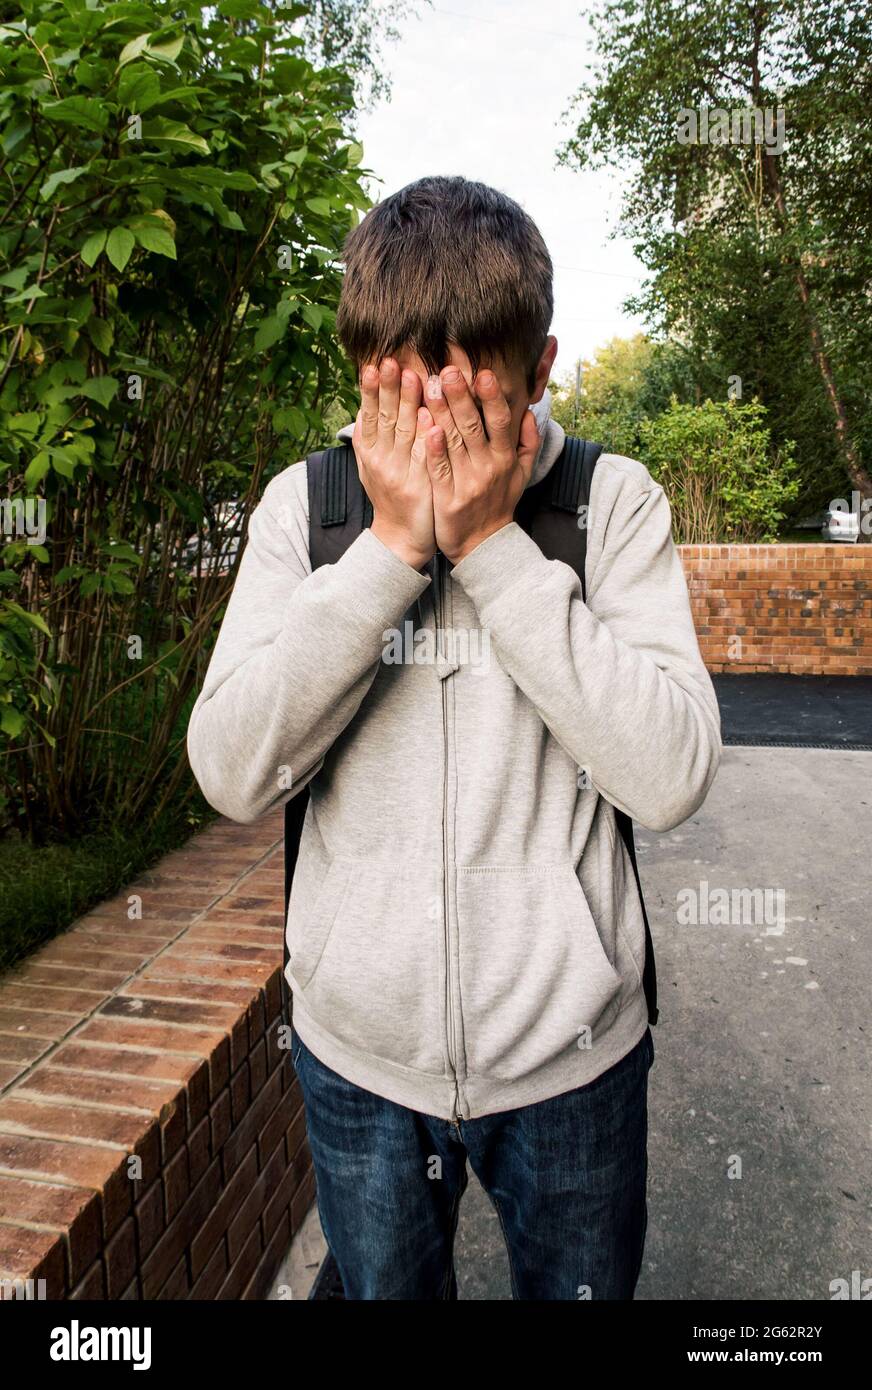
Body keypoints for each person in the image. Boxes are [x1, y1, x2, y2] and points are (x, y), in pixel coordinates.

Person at [186, 175, 722, 1300]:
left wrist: (488, 549)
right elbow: (233, 770)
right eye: (404, 401)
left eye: (475, 399)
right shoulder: (310, 508)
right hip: (357, 1060)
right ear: (364, 381)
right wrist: (386, 553)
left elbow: (668, 774)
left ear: (541, 367)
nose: (439, 441)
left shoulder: (607, 501)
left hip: (573, 1061)